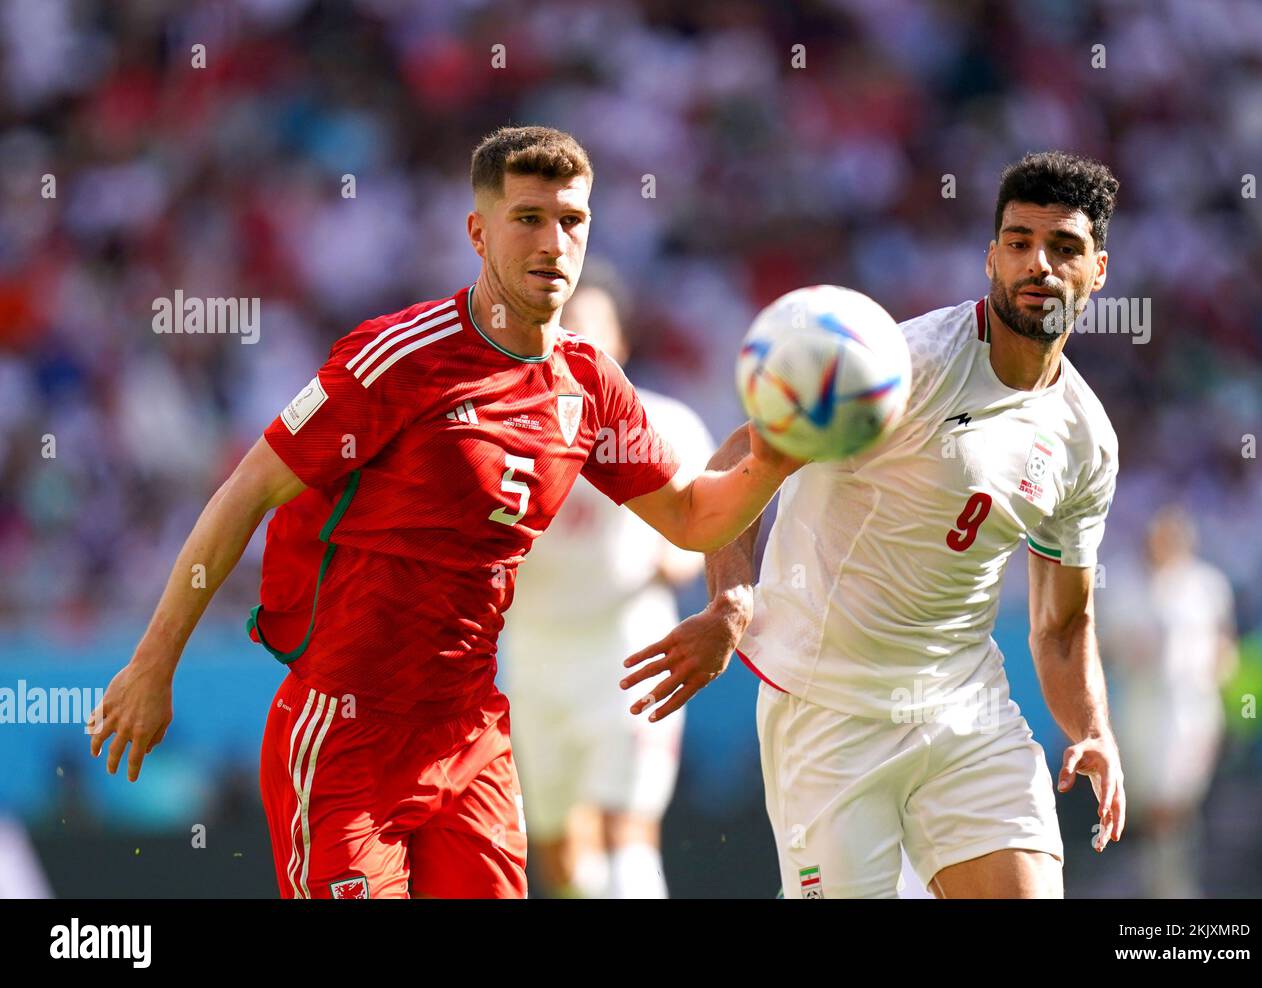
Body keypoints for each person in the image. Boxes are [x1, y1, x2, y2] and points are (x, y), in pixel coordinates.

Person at [88, 126, 802, 899]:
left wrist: (775, 461)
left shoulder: (589, 382)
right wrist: (153, 664)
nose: (553, 242)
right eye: (527, 218)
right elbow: (245, 493)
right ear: (478, 232)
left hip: (470, 737)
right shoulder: (399, 358)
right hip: (347, 735)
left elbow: (692, 516)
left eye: (571, 221)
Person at [624, 151, 1126, 899]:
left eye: (1064, 247)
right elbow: (742, 454)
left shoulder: (1086, 440)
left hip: (965, 708)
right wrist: (730, 601)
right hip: (829, 710)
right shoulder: (903, 366)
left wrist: (1092, 729)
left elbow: (1061, 625)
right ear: (991, 256)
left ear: (1099, 270)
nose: (1039, 265)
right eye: (1019, 242)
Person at [504, 269, 714, 898]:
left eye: (591, 327)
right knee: (557, 847)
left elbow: (703, 533)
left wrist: (679, 557)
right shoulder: (503, 426)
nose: (577, 339)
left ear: (620, 341)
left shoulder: (665, 423)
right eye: (564, 326)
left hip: (628, 648)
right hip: (533, 658)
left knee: (629, 824)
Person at [1103, 506, 1237, 897]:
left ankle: (1174, 882)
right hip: (1142, 706)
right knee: (1151, 801)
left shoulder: (1207, 585)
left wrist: (1222, 676)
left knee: (1181, 797)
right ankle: (1159, 880)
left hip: (1193, 707)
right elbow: (1105, 645)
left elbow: (1225, 643)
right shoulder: (1122, 583)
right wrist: (1131, 649)